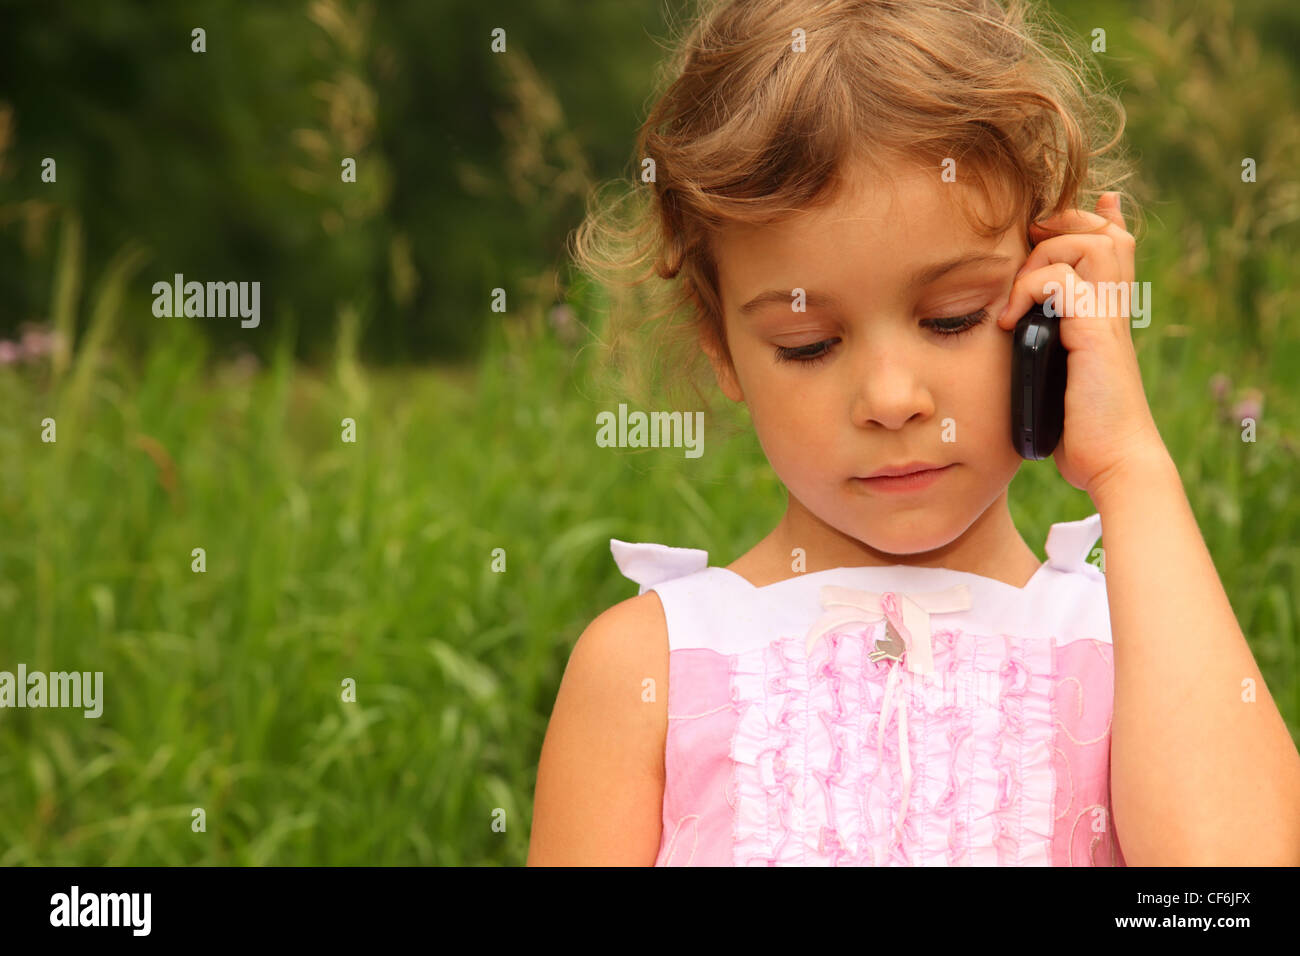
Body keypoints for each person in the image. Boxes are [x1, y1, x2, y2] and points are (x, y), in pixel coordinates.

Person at [527, 0, 1300, 866]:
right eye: (808, 342)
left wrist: (1130, 464)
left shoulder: (1132, 645)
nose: (891, 399)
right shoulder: (652, 668)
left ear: (1046, 302)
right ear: (725, 350)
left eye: (952, 317)